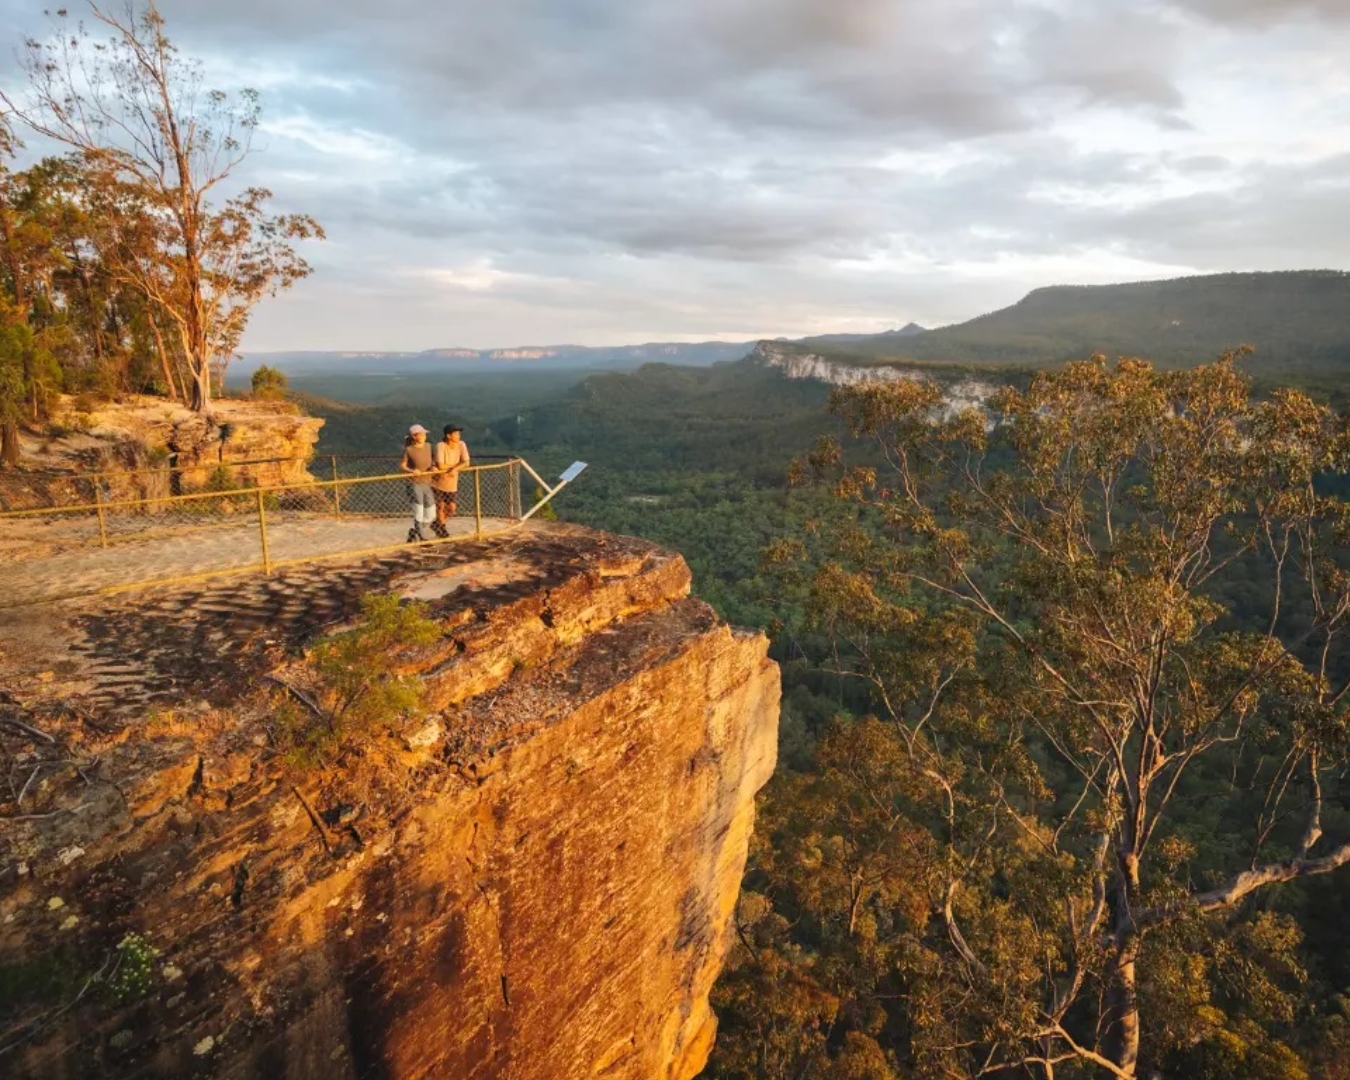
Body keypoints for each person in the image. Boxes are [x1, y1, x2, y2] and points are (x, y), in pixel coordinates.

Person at [431, 423, 471, 537]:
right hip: (437, 482)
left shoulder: (461, 444)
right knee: (440, 506)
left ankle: (437, 524)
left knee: (452, 508)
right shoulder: (440, 446)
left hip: (451, 482)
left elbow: (467, 462)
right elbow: (440, 466)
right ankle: (442, 529)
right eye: (456, 433)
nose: (458, 435)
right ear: (448, 435)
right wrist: (456, 466)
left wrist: (455, 469)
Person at [399, 424, 435, 542]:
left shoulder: (429, 446)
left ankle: (415, 531)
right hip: (414, 483)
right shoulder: (409, 450)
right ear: (414, 436)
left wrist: (433, 467)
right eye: (421, 434)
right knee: (418, 510)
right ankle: (422, 536)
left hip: (427, 482)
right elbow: (402, 465)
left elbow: (432, 461)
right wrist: (412, 471)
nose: (424, 436)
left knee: (431, 514)